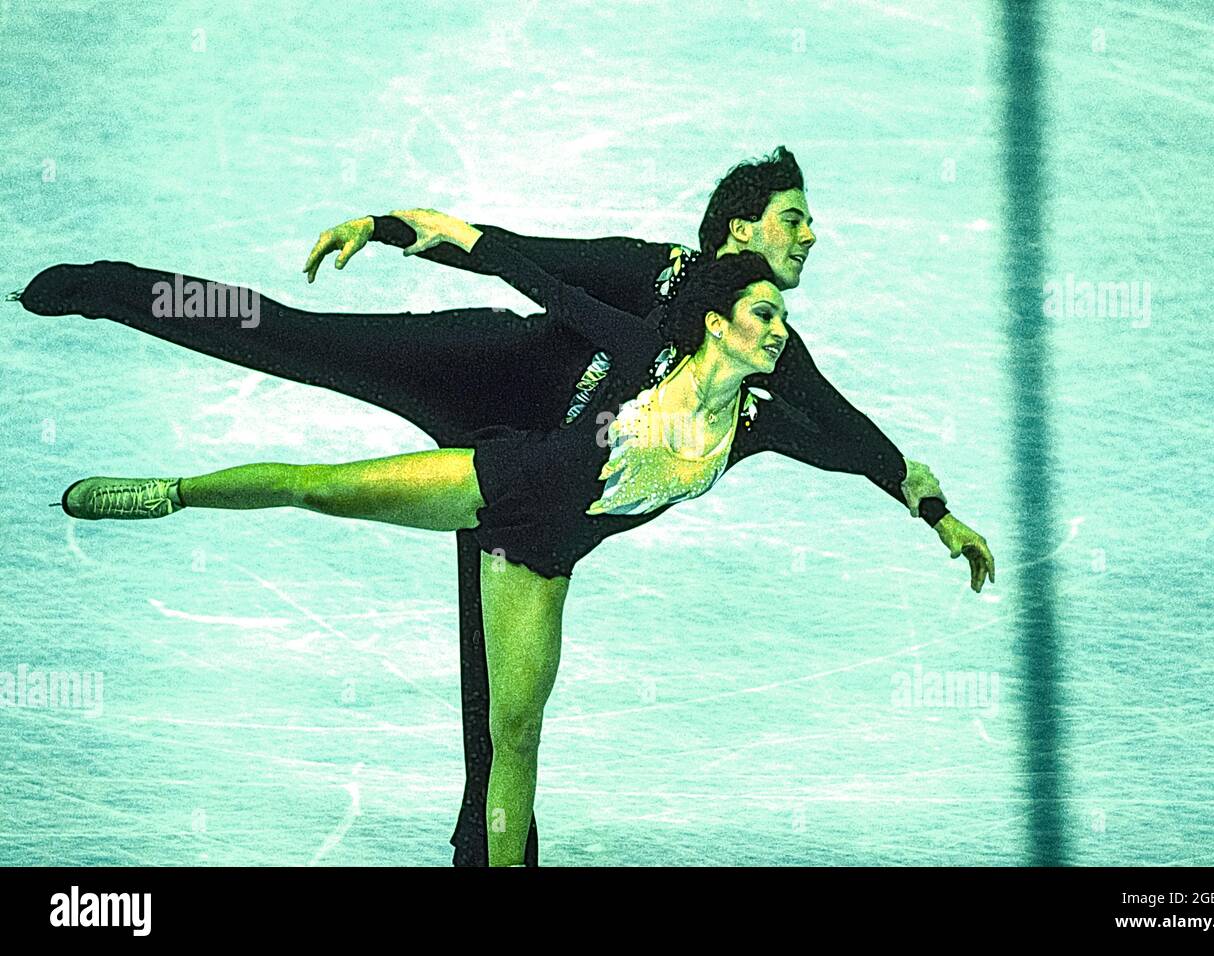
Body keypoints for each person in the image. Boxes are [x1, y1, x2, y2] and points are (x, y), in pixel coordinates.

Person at [13, 147, 992, 865]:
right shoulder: (653, 273)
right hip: (484, 371)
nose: (809, 234)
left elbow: (852, 433)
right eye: (792, 217)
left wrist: (931, 506)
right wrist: (399, 229)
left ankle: (489, 852)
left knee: (502, 686)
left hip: (548, 477)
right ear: (738, 231)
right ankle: (115, 289)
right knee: (288, 333)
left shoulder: (777, 362)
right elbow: (521, 256)